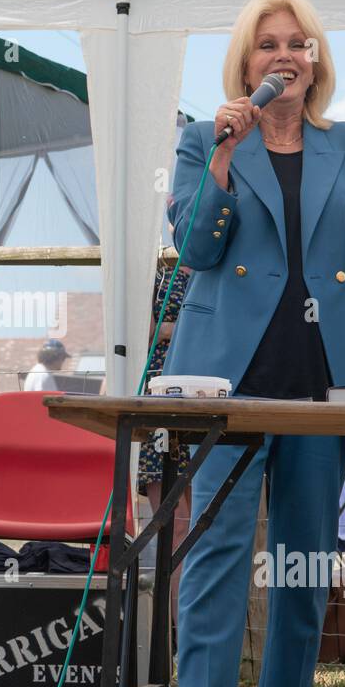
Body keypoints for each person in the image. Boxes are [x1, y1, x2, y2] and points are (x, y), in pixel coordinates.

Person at [158, 0, 345, 687]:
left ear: (316, 61)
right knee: (216, 548)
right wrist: (225, 151)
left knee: (304, 559)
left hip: (322, 383)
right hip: (228, 380)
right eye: (269, 43)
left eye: (298, 43)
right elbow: (198, 248)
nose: (285, 54)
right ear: (246, 63)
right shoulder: (206, 137)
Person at [137, 260, 193, 629]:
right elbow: (131, 327)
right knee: (176, 525)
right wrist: (184, 328)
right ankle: (173, 631)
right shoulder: (153, 271)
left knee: (195, 526)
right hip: (160, 402)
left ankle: (179, 628)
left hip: (207, 399)